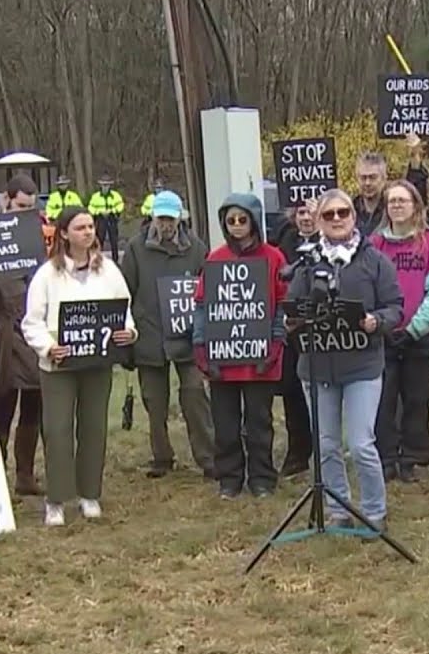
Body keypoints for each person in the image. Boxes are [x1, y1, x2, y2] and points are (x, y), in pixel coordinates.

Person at [285, 189, 404, 533]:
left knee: (361, 443)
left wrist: (376, 321)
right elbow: (292, 306)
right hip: (317, 366)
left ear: (353, 216)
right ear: (318, 220)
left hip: (362, 365)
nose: (337, 219)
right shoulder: (307, 263)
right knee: (326, 445)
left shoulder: (375, 260)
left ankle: (374, 511)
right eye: (329, 214)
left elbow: (395, 307)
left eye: (343, 213)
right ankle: (338, 509)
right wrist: (292, 320)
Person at [22, 206, 137, 526]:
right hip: (59, 365)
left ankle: (90, 494)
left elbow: (124, 310)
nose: (88, 232)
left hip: (97, 362)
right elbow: (31, 322)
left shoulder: (109, 270)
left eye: (90, 227)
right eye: (80, 227)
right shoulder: (47, 275)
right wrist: (48, 347)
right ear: (64, 234)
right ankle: (57, 499)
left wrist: (128, 331)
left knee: (93, 428)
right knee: (58, 430)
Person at [192, 193, 288, 499]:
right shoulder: (215, 258)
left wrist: (275, 345)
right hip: (223, 358)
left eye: (242, 219)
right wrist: (201, 349)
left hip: (262, 358)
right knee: (225, 424)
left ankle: (262, 478)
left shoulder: (274, 257)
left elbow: (282, 305)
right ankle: (230, 479)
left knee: (259, 422)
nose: (236, 225)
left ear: (254, 221)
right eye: (230, 220)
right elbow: (202, 306)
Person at [120, 190, 215, 479]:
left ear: (180, 218)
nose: (166, 224)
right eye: (161, 219)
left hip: (187, 336)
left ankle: (208, 457)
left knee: (195, 395)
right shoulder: (136, 249)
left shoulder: (196, 248)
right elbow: (125, 292)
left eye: (171, 219)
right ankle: (161, 456)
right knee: (154, 400)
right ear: (152, 218)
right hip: (149, 335)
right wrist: (129, 339)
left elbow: (207, 290)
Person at [0, 174, 47, 497]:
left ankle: (25, 475)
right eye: (20, 205)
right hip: (1, 335)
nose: (24, 212)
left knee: (34, 405)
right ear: (6, 200)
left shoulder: (38, 233)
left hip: (31, 328)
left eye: (30, 207)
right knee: (1, 408)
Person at [370, 180, 429, 483]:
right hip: (384, 334)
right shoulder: (375, 244)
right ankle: (386, 457)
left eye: (403, 200)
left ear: (415, 205)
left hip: (420, 335)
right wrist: (382, 324)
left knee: (417, 399)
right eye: (392, 201)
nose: (397, 206)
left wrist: (415, 328)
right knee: (384, 400)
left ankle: (413, 458)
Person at [272, 203, 320, 478]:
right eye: (301, 212)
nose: (306, 218)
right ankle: (298, 451)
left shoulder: (332, 242)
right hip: (291, 329)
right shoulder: (284, 243)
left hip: (320, 327)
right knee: (292, 390)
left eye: (312, 212)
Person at [350, 135, 429, 237]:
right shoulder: (349, 210)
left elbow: (415, 194)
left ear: (384, 178)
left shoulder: (394, 206)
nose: (367, 183)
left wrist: (415, 156)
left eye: (373, 177)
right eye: (363, 178)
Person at [88, 173, 126, 262]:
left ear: (110, 186)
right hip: (100, 218)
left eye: (107, 185)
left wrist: (112, 211)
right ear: (100, 185)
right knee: (99, 239)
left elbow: (120, 205)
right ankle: (98, 258)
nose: (105, 187)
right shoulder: (96, 196)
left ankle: (115, 259)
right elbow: (91, 207)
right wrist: (99, 212)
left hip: (111, 218)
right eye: (104, 185)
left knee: (114, 240)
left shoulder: (115, 195)